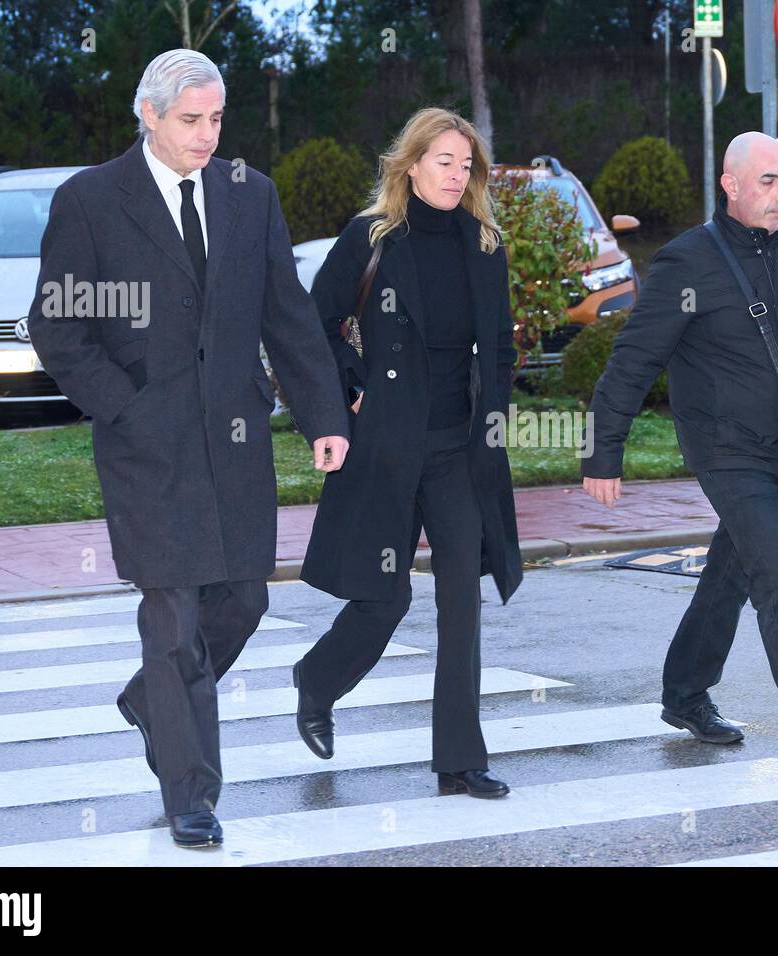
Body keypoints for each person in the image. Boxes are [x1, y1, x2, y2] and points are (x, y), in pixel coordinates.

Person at [27, 49, 351, 847]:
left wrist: (325, 417)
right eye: (190, 121)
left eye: (215, 119)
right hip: (146, 448)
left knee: (243, 600)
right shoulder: (92, 200)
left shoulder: (251, 195)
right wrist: (123, 407)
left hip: (235, 441)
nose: (208, 136)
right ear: (149, 114)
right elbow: (56, 326)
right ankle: (192, 794)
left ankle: (149, 701)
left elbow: (288, 316)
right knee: (171, 618)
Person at [581, 131, 778, 777]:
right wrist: (603, 450)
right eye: (767, 181)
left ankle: (685, 693)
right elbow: (635, 358)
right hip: (727, 451)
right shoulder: (687, 262)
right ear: (731, 183)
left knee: (733, 574)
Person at [295, 107, 522, 797]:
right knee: (382, 599)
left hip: (458, 450)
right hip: (388, 447)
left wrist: (495, 423)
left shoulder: (483, 242)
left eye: (465, 164)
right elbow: (315, 321)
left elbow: (501, 348)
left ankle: (458, 760)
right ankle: (317, 679)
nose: (456, 175)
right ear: (412, 164)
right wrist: (356, 386)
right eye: (444, 161)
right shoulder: (372, 236)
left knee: (462, 600)